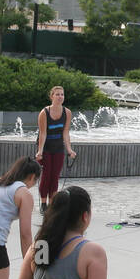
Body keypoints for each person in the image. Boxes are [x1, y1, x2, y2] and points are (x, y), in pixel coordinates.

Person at [35, 86, 77, 214]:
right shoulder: (44, 113)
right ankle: (43, 203)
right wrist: (40, 151)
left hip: (58, 147)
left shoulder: (67, 112)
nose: (60, 97)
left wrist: (69, 150)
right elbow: (43, 134)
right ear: (52, 96)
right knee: (46, 175)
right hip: (46, 146)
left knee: (55, 176)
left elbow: (65, 132)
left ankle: (52, 203)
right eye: (57, 94)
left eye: (62, 95)